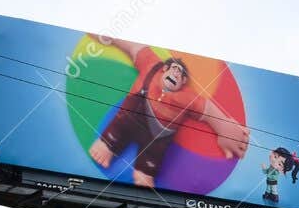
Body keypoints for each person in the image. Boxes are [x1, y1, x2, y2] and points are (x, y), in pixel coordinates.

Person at [87, 34, 251, 188]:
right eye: (175, 69)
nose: (177, 74)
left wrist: (224, 127)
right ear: (165, 68)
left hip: (155, 138)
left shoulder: (186, 97)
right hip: (127, 121)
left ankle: (144, 170)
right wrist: (110, 37)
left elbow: (208, 110)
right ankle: (108, 143)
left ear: (184, 81)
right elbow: (134, 47)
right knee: (119, 125)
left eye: (181, 75)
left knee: (152, 157)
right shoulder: (151, 65)